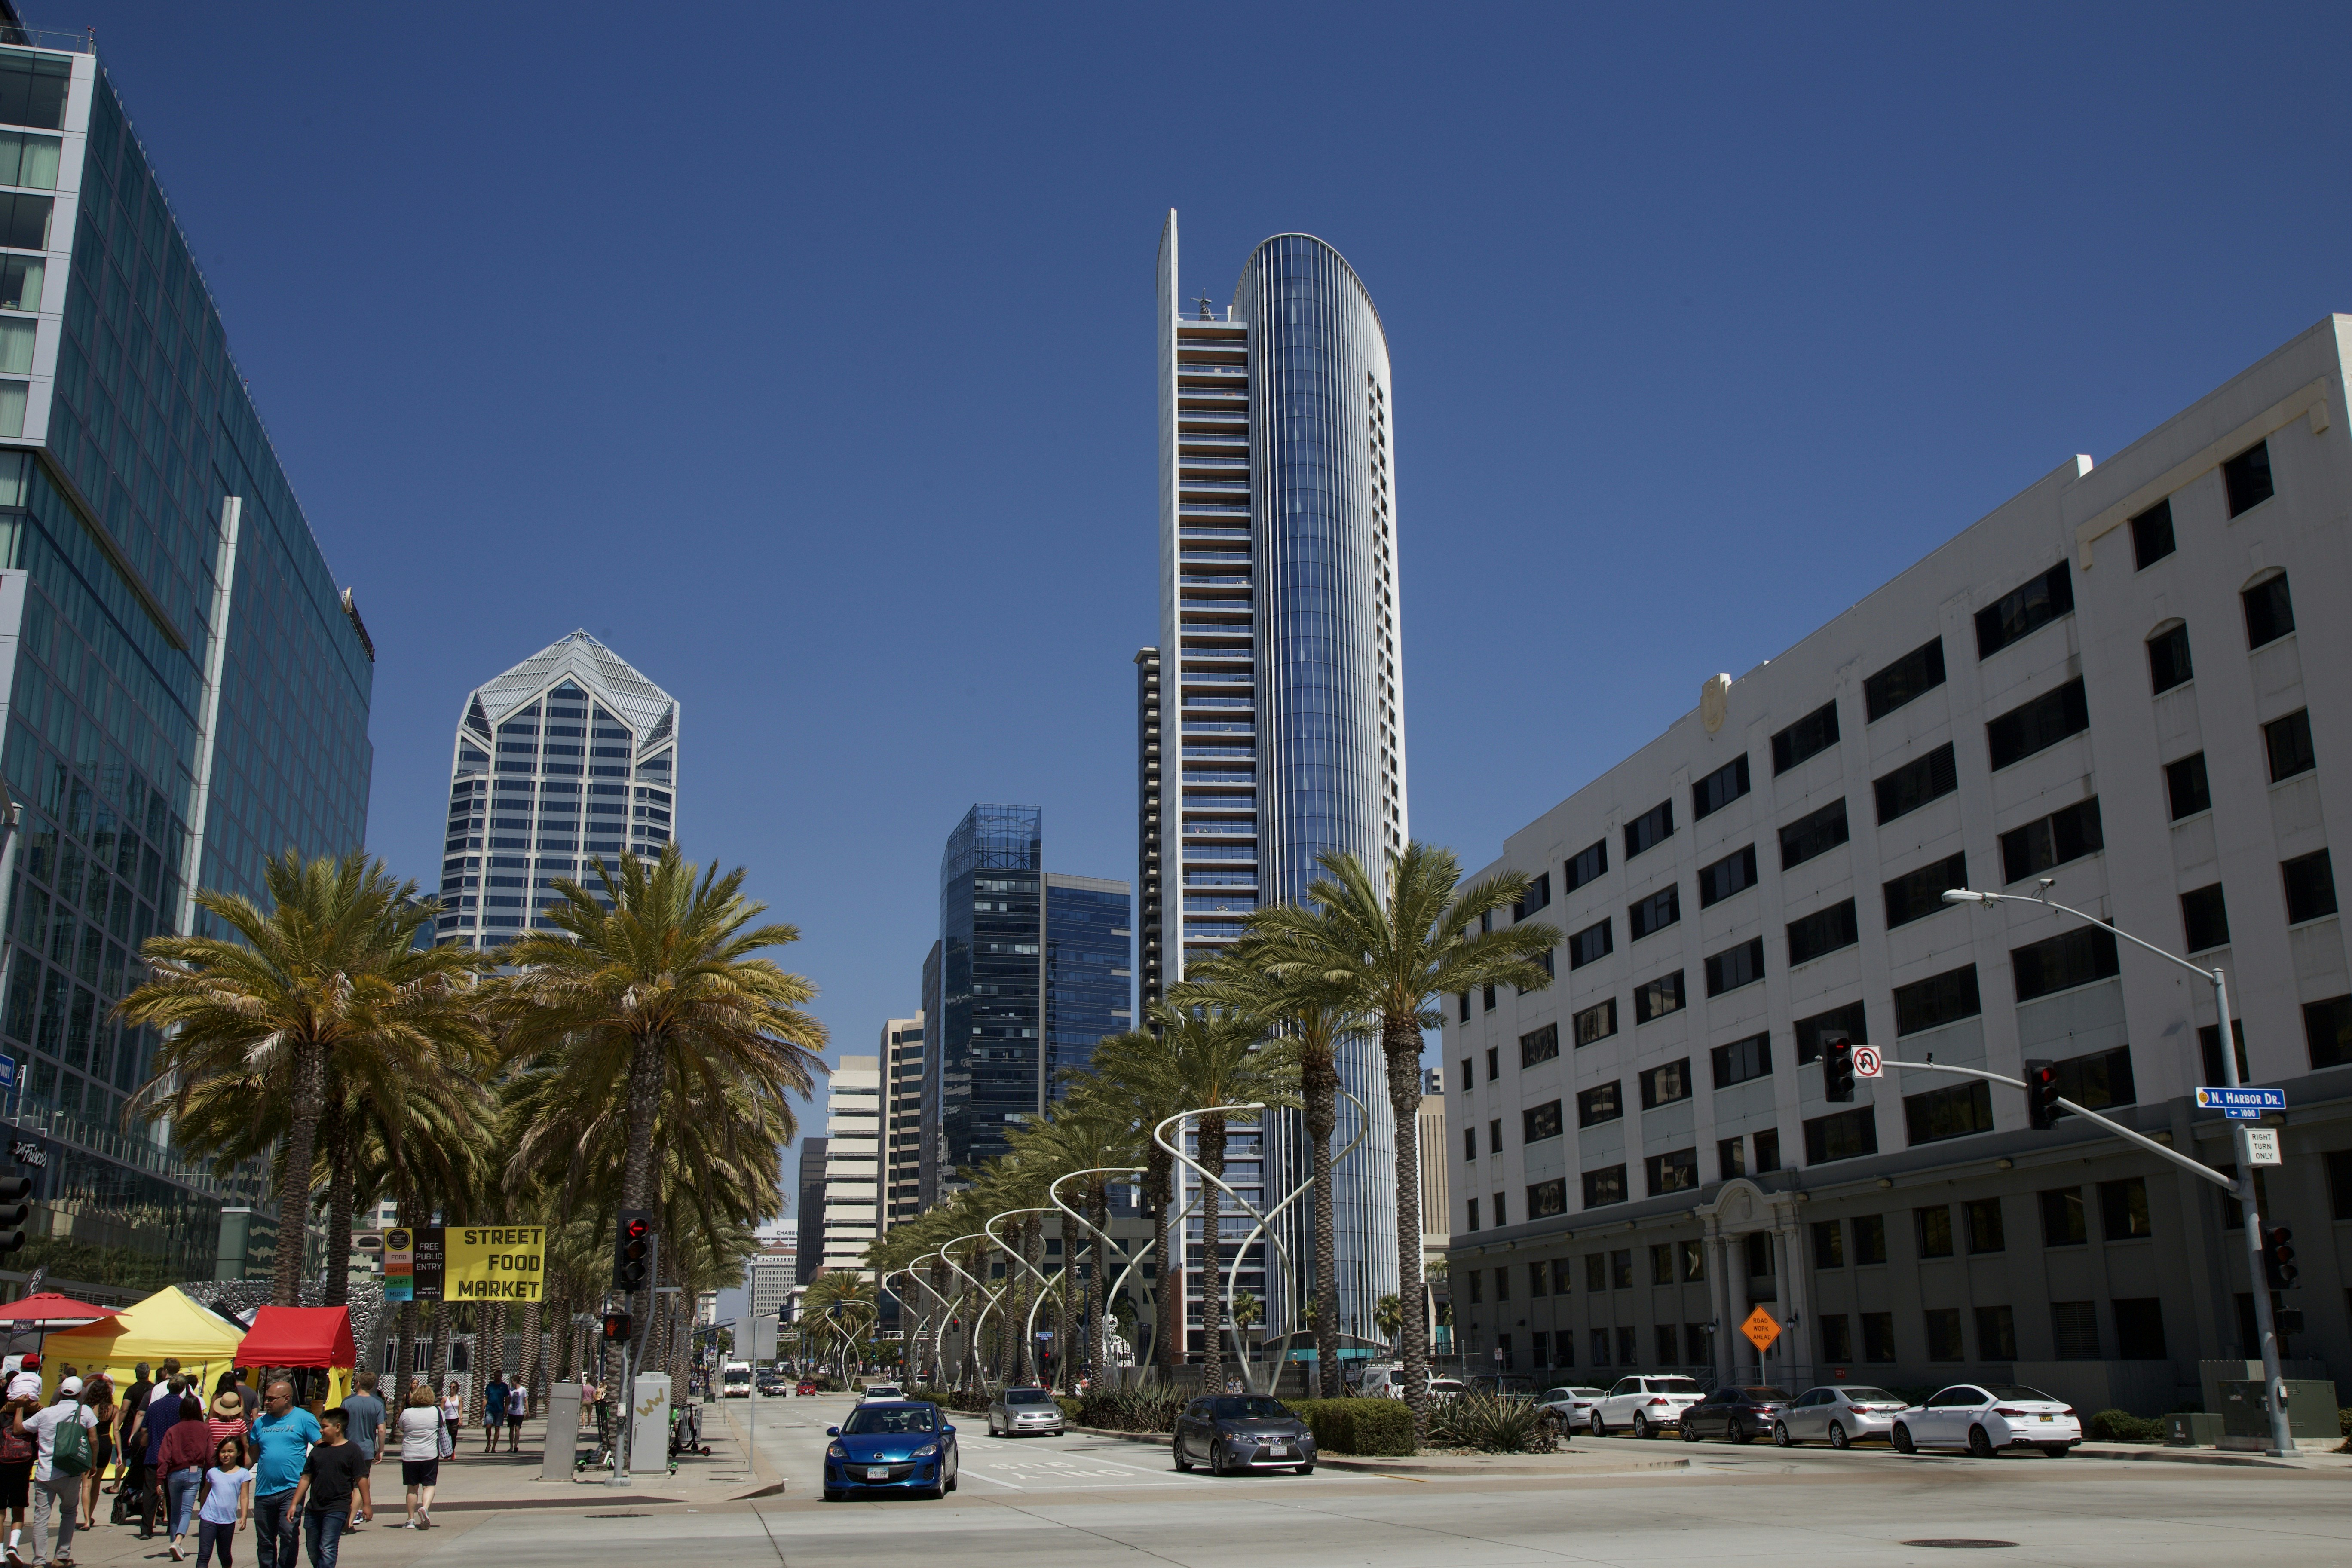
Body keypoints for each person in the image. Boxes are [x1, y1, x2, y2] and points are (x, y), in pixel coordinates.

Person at [18, 1377, 95, 1568]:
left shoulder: (45, 1413)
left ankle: (38, 1561)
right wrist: (93, 1464)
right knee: (69, 1512)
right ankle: (61, 1557)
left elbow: (19, 1429)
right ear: (80, 1394)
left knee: (41, 1518)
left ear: (61, 1392)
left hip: (45, 1474)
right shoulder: (85, 1411)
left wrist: (19, 1407)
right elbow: (94, 1440)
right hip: (70, 1472)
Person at [247, 1383, 318, 1568]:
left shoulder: (304, 1419)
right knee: (265, 1540)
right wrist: (232, 1473)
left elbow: (321, 1449)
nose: (267, 1402)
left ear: (286, 1399)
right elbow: (252, 1456)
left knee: (289, 1533)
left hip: (292, 1489)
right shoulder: (260, 1423)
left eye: (271, 1399)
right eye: (266, 1398)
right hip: (264, 1491)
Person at [287, 1412, 361, 1568]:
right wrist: (294, 1504)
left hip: (337, 1507)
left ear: (338, 1428)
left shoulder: (352, 1450)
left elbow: (362, 1480)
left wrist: (366, 1504)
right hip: (314, 1508)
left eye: (324, 1427)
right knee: (313, 1550)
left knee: (327, 1547)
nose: (320, 1430)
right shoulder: (318, 1451)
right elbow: (306, 1478)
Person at [157, 1391, 214, 1561]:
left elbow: (164, 1456)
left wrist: (160, 1478)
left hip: (174, 1473)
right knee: (187, 1510)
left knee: (175, 1510)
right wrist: (212, 1475)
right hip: (194, 1471)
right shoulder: (205, 1429)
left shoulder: (173, 1430)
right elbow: (210, 1456)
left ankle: (174, 1544)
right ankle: (178, 1541)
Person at [194, 1436, 251, 1568]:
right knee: (204, 1555)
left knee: (225, 1554)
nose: (226, 1455)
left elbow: (244, 1497)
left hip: (227, 1520)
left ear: (239, 1453)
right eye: (223, 1452)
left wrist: (244, 1516)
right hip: (209, 1518)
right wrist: (203, 1510)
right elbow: (205, 1493)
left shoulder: (243, 1473)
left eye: (230, 1451)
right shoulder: (213, 1472)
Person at [335, 1376, 382, 1529]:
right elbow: (382, 1429)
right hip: (367, 1450)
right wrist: (381, 1449)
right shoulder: (378, 1403)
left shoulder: (348, 1402)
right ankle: (350, 1520)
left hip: (347, 1448)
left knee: (347, 1483)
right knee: (360, 1484)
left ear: (359, 1383)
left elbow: (339, 1425)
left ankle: (346, 1518)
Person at [394, 1386, 440, 1530]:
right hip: (430, 1454)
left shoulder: (407, 1413)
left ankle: (410, 1520)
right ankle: (425, 1508)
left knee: (412, 1488)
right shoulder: (437, 1411)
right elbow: (442, 1425)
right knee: (429, 1485)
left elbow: (401, 1427)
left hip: (410, 1455)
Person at [0, 1395, 36, 1566]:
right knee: (18, 1510)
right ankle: (13, 1546)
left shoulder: (2, 1416)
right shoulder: (33, 1418)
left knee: (0, 1513)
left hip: (1, 1468)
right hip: (22, 1470)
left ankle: (0, 1555)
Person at [74, 1380, 112, 1532]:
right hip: (106, 1444)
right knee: (97, 1484)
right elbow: (116, 1430)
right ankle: (90, 1516)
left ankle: (86, 1520)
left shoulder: (87, 1409)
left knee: (86, 1484)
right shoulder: (113, 1409)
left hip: (91, 1443)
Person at [479, 1375, 508, 1454]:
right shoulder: (490, 1386)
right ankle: (489, 1443)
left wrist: (506, 1409)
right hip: (490, 1409)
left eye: (498, 1376)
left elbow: (507, 1399)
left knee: (497, 1428)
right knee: (488, 1426)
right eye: (496, 1376)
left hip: (500, 1410)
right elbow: (486, 1398)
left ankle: (494, 1447)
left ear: (501, 1377)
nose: (497, 1378)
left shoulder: (504, 1386)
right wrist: (482, 1409)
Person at [504, 1381, 526, 1454]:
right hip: (511, 1412)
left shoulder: (523, 1390)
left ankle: (516, 1445)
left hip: (520, 1413)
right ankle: (511, 1446)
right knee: (511, 1429)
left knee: (517, 1429)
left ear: (516, 1382)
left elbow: (526, 1401)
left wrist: (527, 1411)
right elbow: (508, 1401)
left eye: (513, 1381)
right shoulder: (511, 1390)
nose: (512, 1382)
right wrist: (506, 1409)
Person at [439, 1382, 461, 1455]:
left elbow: (460, 1409)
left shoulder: (459, 1398)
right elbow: (442, 1410)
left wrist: (461, 1419)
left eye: (453, 1387)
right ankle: (448, 1452)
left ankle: (452, 1451)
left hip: (455, 1418)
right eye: (450, 1387)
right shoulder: (445, 1399)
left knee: (454, 1435)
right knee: (447, 1436)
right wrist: (442, 1420)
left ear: (457, 1388)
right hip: (447, 1419)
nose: (452, 1389)